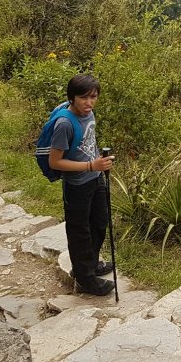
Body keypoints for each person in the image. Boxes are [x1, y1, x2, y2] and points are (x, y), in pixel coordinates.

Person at [47, 74, 116, 296]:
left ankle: (91, 264)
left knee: (99, 222)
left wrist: (100, 163)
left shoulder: (89, 114)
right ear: (72, 97)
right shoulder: (64, 124)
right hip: (77, 184)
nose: (89, 103)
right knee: (80, 231)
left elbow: (89, 145)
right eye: (83, 97)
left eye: (93, 97)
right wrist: (90, 166)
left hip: (95, 179)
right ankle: (85, 278)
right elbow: (55, 161)